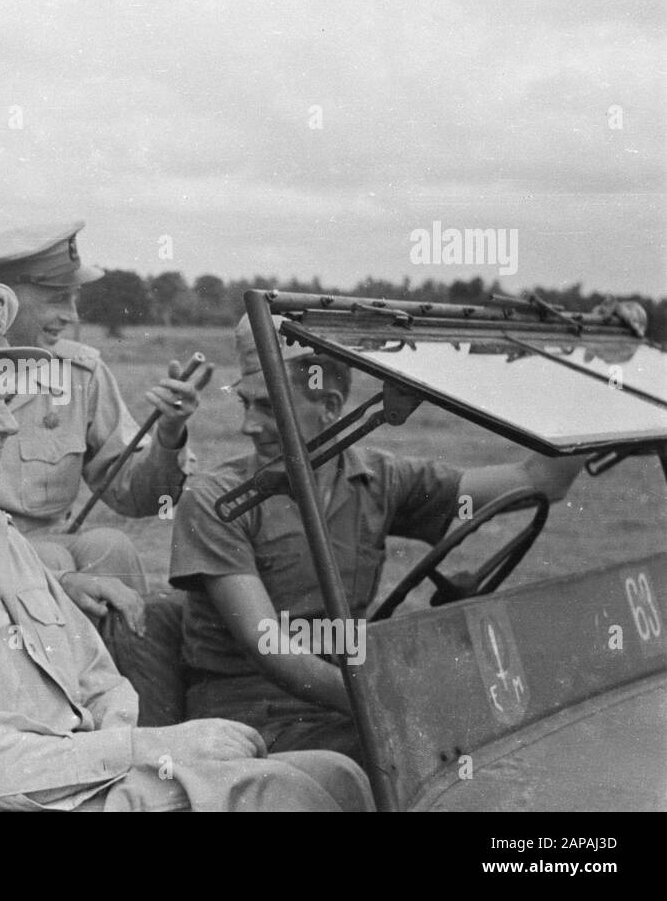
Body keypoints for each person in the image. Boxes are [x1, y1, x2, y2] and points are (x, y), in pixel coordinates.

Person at [0, 284, 373, 812]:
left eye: (6, 402)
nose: (9, 424)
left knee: (337, 775)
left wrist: (125, 755)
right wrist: (144, 749)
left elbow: (97, 676)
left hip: (76, 784)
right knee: (278, 796)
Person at [168, 314, 587, 760]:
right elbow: (273, 650)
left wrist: (589, 377)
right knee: (423, 757)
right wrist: (394, 708)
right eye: (245, 405)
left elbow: (540, 479)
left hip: (342, 695)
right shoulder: (217, 499)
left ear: (329, 406)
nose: (248, 426)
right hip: (248, 714)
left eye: (268, 407)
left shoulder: (378, 478)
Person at [0, 222, 213, 635]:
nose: (71, 316)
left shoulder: (79, 373)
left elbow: (138, 496)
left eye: (73, 298)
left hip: (49, 545)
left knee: (111, 546)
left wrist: (168, 436)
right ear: (2, 300)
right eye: (57, 297)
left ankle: (129, 689)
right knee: (52, 560)